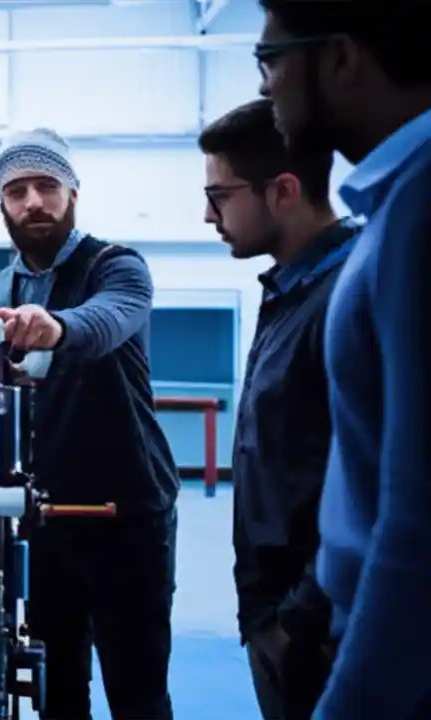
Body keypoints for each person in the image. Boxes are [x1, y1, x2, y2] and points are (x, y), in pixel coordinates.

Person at [257, 2, 431, 717]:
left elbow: (417, 523)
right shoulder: (400, 202)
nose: (266, 86)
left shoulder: (421, 205)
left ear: (342, 58)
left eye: (271, 60)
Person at [0, 128, 179, 719]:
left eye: (46, 185)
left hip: (129, 514)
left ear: (73, 192)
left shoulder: (118, 267)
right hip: (44, 519)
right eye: (17, 191)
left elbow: (105, 321)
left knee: (137, 690)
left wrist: (55, 328)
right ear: (3, 205)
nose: (33, 201)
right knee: (59, 690)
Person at [199, 97, 359, 720]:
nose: (207, 214)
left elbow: (376, 481)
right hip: (280, 619)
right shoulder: (290, 288)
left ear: (283, 190)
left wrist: (301, 619)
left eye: (220, 196)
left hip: (321, 630)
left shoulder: (348, 297)